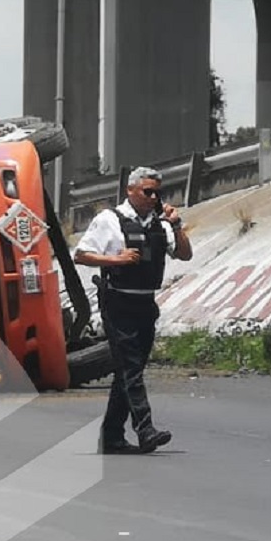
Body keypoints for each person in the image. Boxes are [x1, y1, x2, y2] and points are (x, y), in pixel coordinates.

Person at [74, 167, 193, 454]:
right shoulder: (109, 220)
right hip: (118, 303)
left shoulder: (160, 224)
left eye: (156, 193)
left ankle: (112, 437)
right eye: (147, 192)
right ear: (130, 190)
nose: (153, 198)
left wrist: (177, 225)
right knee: (130, 367)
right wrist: (116, 260)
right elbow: (81, 255)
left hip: (146, 304)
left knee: (130, 371)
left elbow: (185, 254)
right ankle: (145, 428)